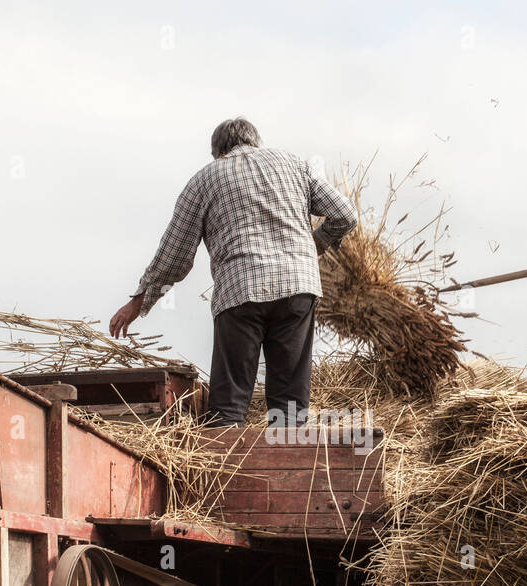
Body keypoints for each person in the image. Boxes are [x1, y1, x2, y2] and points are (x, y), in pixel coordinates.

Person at [109, 117, 357, 425]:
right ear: (256, 142)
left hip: (239, 294)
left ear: (218, 152)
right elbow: (344, 214)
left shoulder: (204, 180)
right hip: (297, 289)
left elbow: (174, 255)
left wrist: (138, 303)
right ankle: (290, 467)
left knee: (228, 405)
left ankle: (226, 469)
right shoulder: (293, 164)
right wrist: (315, 245)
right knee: (290, 410)